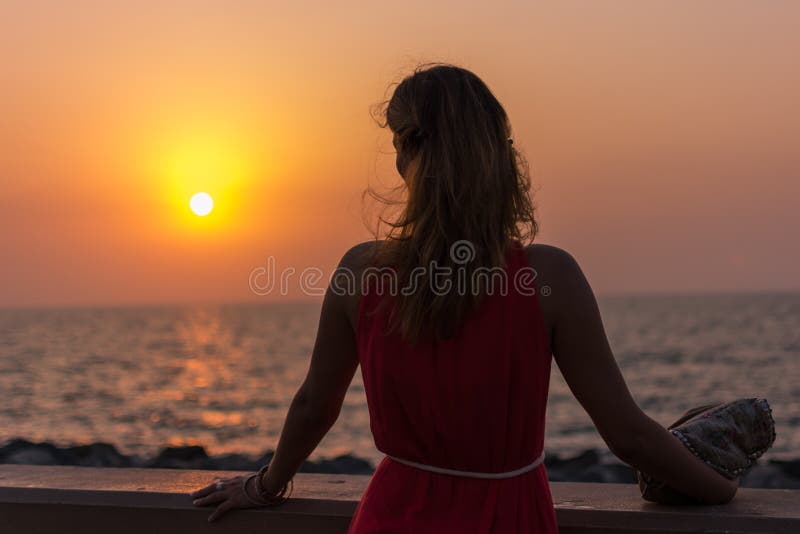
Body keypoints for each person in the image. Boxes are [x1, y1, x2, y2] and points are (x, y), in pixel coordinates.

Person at [190, 62, 738, 530]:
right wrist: (721, 489)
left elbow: (316, 405)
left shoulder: (361, 271)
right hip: (508, 516)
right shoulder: (549, 278)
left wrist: (266, 485)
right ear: (500, 157)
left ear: (408, 156)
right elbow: (628, 434)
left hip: (392, 514)